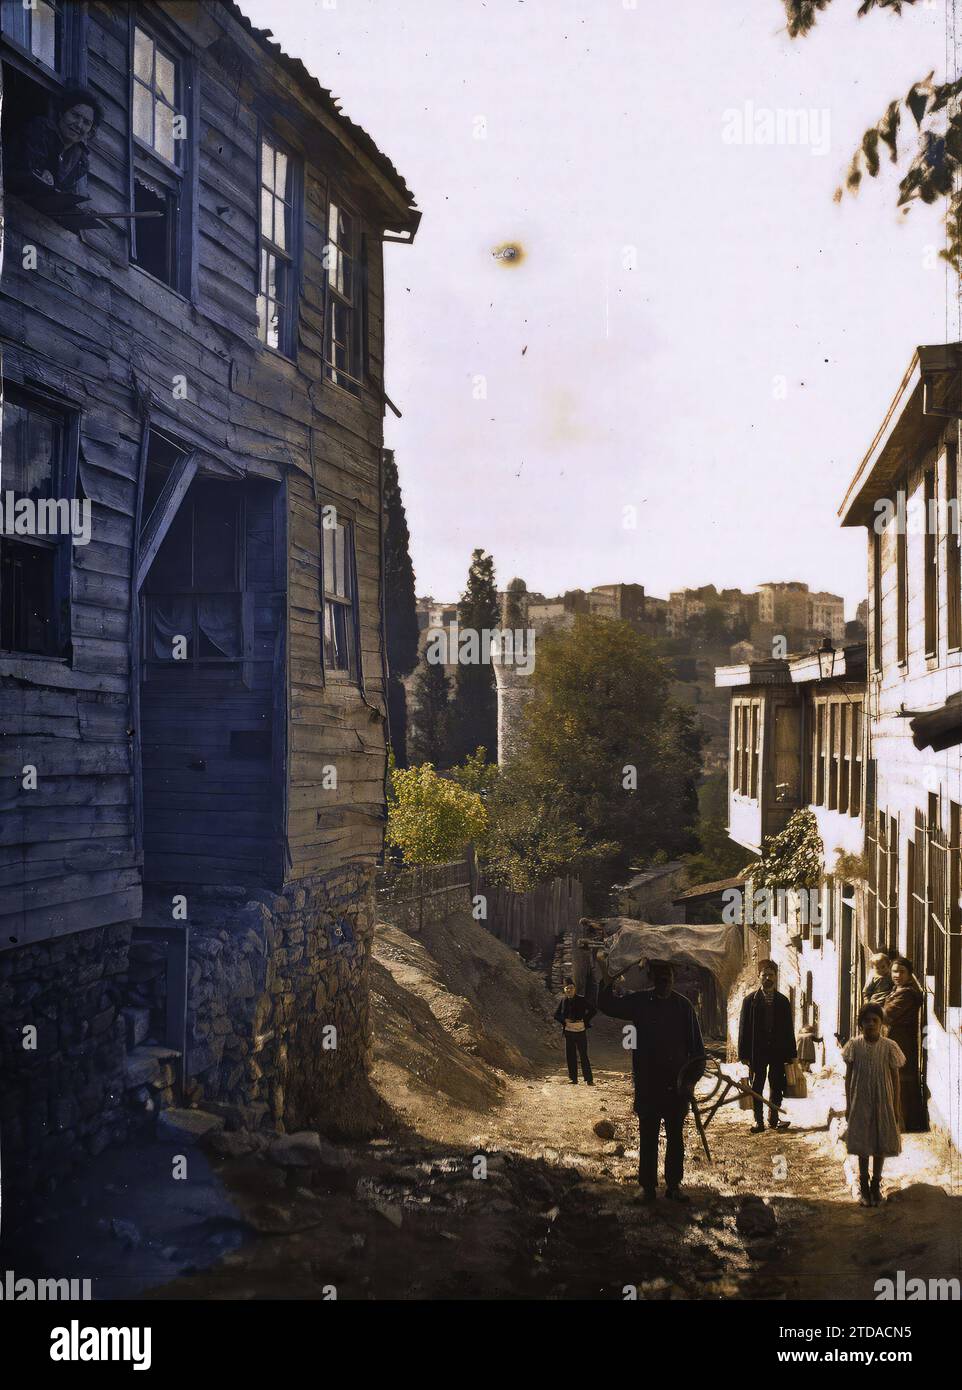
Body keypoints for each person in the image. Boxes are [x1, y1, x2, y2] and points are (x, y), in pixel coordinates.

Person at [597, 958, 705, 1202]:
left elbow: (698, 1054)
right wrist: (606, 977)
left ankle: (674, 1186)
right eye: (659, 976)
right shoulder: (639, 1002)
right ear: (652, 979)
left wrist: (689, 1083)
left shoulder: (684, 1007)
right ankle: (646, 1188)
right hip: (648, 1085)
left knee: (675, 1138)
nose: (664, 980)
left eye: (667, 975)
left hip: (676, 1088)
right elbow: (608, 1006)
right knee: (648, 1138)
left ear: (673, 978)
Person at [843, 1002, 905, 1206]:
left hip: (882, 1099)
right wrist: (848, 1103)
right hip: (860, 1099)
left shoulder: (889, 1047)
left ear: (881, 1024)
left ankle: (876, 1184)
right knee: (863, 1142)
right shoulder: (854, 1045)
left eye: (874, 1021)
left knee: (880, 1141)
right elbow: (848, 1077)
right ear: (860, 1024)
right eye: (866, 1021)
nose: (870, 1024)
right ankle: (863, 1184)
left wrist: (896, 1106)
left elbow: (896, 1079)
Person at [737, 960, 797, 1133]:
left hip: (777, 1050)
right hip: (758, 1050)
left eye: (771, 975)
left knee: (777, 1083)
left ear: (776, 977)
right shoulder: (750, 1001)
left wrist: (791, 1052)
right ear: (759, 977)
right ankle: (758, 1121)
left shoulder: (783, 1001)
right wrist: (743, 1053)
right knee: (757, 1085)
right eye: (764, 975)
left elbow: (788, 1029)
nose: (768, 978)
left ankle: (774, 1118)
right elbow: (743, 1029)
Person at [9, 87, 103, 195]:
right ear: (61, 113)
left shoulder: (81, 161)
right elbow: (24, 168)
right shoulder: (41, 129)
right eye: (75, 115)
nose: (79, 125)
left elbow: (65, 191)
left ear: (90, 131)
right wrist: (42, 173)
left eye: (86, 122)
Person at [882, 956, 926, 1132]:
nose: (897, 975)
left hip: (902, 1041)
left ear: (909, 974)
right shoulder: (896, 989)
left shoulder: (907, 994)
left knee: (900, 1079)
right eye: (894, 971)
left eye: (902, 972)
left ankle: (902, 1122)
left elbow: (887, 1014)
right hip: (893, 1039)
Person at [554, 978, 595, 1085]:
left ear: (575, 989)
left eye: (571, 988)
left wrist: (585, 1020)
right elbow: (556, 1015)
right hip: (569, 1031)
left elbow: (593, 1010)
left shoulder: (581, 999)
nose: (569, 990)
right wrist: (564, 1020)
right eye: (567, 988)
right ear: (564, 989)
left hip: (580, 1031)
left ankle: (589, 1079)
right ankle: (573, 1079)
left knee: (583, 1055)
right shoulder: (563, 1000)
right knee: (570, 1055)